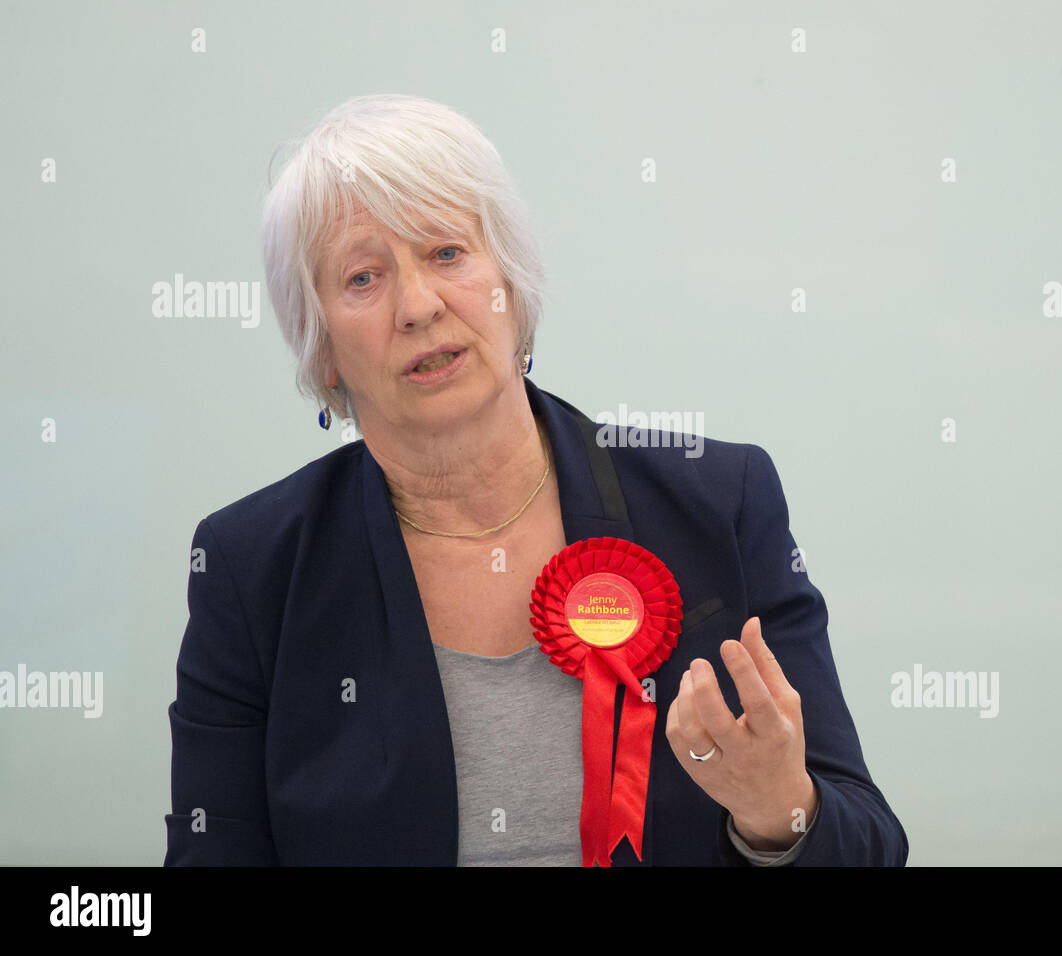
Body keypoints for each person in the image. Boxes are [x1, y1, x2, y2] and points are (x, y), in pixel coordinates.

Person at [164, 94, 907, 866]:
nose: (418, 306)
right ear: (321, 349)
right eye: (362, 278)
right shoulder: (251, 567)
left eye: (447, 253)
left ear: (512, 289)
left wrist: (776, 811)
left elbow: (870, 848)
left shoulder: (719, 500)